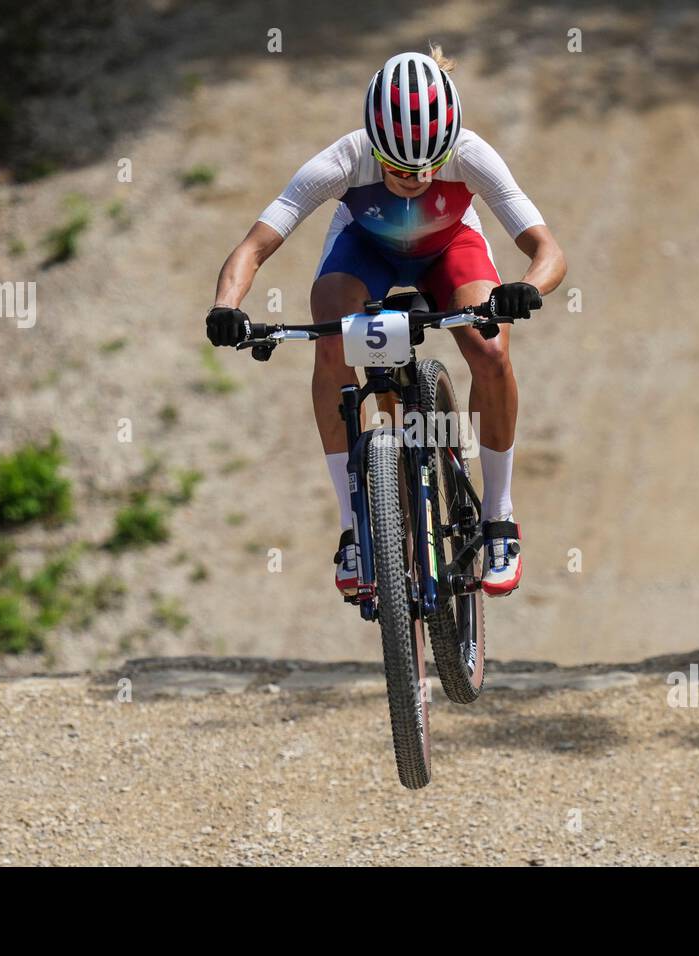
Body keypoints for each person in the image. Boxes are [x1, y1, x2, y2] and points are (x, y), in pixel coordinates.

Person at [206, 46, 565, 598]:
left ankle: (499, 519)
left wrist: (527, 288)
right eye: (398, 168)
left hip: (450, 251)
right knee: (330, 337)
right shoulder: (342, 159)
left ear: (448, 146)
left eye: (427, 167)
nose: (414, 179)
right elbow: (254, 247)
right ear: (375, 143)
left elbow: (547, 251)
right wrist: (226, 307)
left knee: (490, 349)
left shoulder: (472, 154)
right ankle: (354, 528)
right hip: (365, 252)